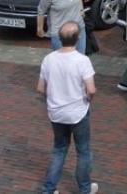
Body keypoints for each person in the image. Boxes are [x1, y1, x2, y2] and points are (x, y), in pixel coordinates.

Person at [37, 22, 99, 194]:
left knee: (59, 149)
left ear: (59, 38)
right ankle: (85, 189)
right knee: (83, 151)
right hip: (78, 113)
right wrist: (87, 99)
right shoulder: (82, 61)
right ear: (78, 38)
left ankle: (48, 189)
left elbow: (40, 88)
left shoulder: (48, 59)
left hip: (56, 113)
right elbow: (91, 89)